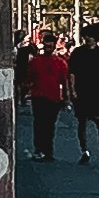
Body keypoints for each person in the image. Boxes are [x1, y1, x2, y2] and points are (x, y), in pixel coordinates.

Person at [68, 22, 99, 166]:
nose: (88, 39)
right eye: (86, 36)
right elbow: (72, 73)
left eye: (91, 36)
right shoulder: (78, 52)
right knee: (82, 122)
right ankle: (85, 151)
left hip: (96, 92)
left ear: (96, 38)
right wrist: (72, 91)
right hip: (82, 91)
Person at [27, 28, 72, 162]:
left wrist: (66, 99)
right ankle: (40, 149)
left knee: (49, 125)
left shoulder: (60, 62)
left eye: (50, 46)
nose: (48, 48)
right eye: (47, 46)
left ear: (54, 46)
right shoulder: (36, 61)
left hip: (53, 98)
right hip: (39, 96)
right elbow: (30, 78)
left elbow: (65, 82)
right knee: (40, 124)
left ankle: (47, 150)